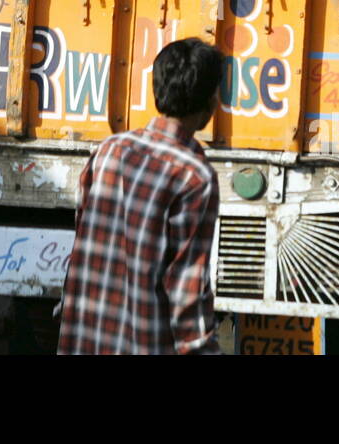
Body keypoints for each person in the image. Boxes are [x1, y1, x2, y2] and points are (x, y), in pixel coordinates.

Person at [57, 37, 224, 355]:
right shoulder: (194, 177)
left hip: (84, 340)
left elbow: (83, 240)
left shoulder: (110, 149)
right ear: (210, 101)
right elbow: (187, 293)